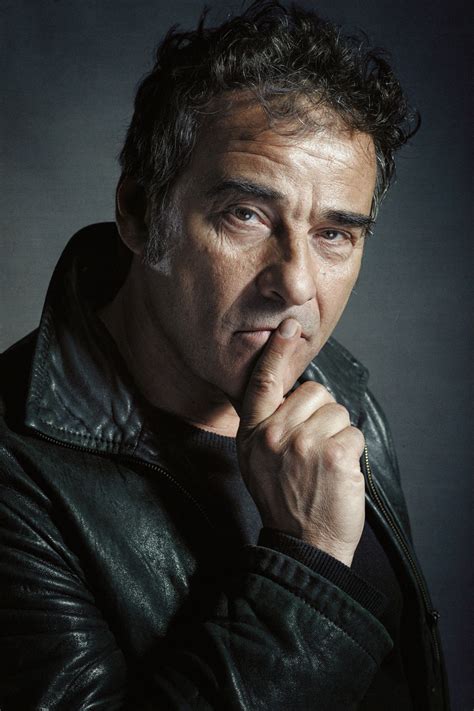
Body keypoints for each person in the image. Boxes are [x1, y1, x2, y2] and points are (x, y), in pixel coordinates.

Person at [0, 2, 449, 709]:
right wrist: (311, 564)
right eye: (247, 215)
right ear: (139, 212)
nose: (296, 284)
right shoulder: (15, 474)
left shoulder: (343, 395)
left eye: (335, 234)